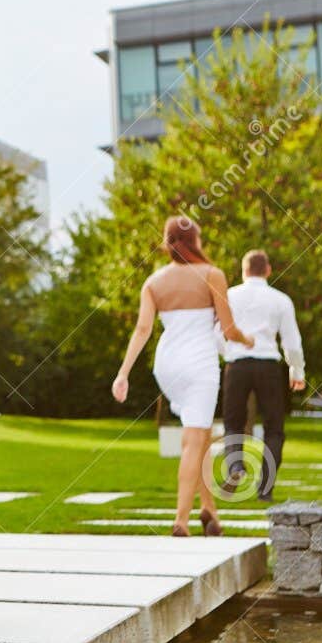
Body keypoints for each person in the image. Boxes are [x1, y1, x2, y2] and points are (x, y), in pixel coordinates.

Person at [112, 216, 252, 537]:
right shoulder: (212, 274)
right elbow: (229, 330)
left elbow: (143, 329)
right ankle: (180, 520)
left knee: (200, 436)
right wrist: (249, 340)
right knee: (193, 439)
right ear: (196, 241)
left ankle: (210, 512)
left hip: (168, 365)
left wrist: (123, 374)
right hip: (199, 366)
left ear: (166, 242)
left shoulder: (154, 282)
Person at [221, 249, 305, 503]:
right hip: (268, 365)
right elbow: (291, 341)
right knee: (274, 428)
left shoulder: (228, 296)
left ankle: (235, 466)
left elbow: (218, 331)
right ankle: (265, 489)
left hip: (237, 364)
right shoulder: (280, 300)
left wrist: (228, 353)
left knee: (233, 422)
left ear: (243, 270)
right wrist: (296, 369)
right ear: (268, 270)